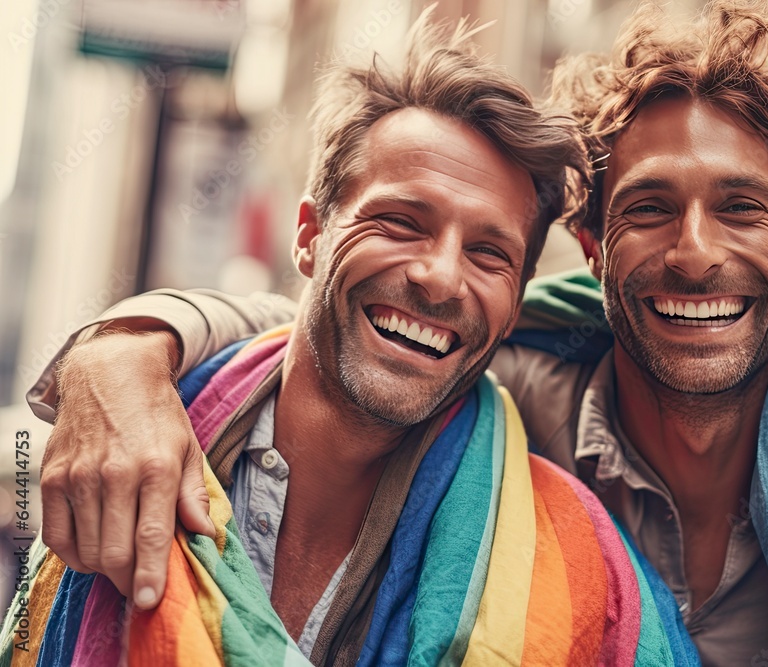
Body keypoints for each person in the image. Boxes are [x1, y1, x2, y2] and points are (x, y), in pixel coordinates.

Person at [16, 1, 768, 665]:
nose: (695, 254)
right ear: (589, 246)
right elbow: (336, 337)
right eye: (650, 207)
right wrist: (127, 350)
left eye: (741, 207)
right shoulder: (522, 385)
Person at [0, 11, 702, 667]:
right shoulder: (124, 446)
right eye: (401, 222)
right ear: (309, 235)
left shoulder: (591, 575)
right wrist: (114, 354)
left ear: (514, 304)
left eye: (489, 253)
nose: (438, 278)